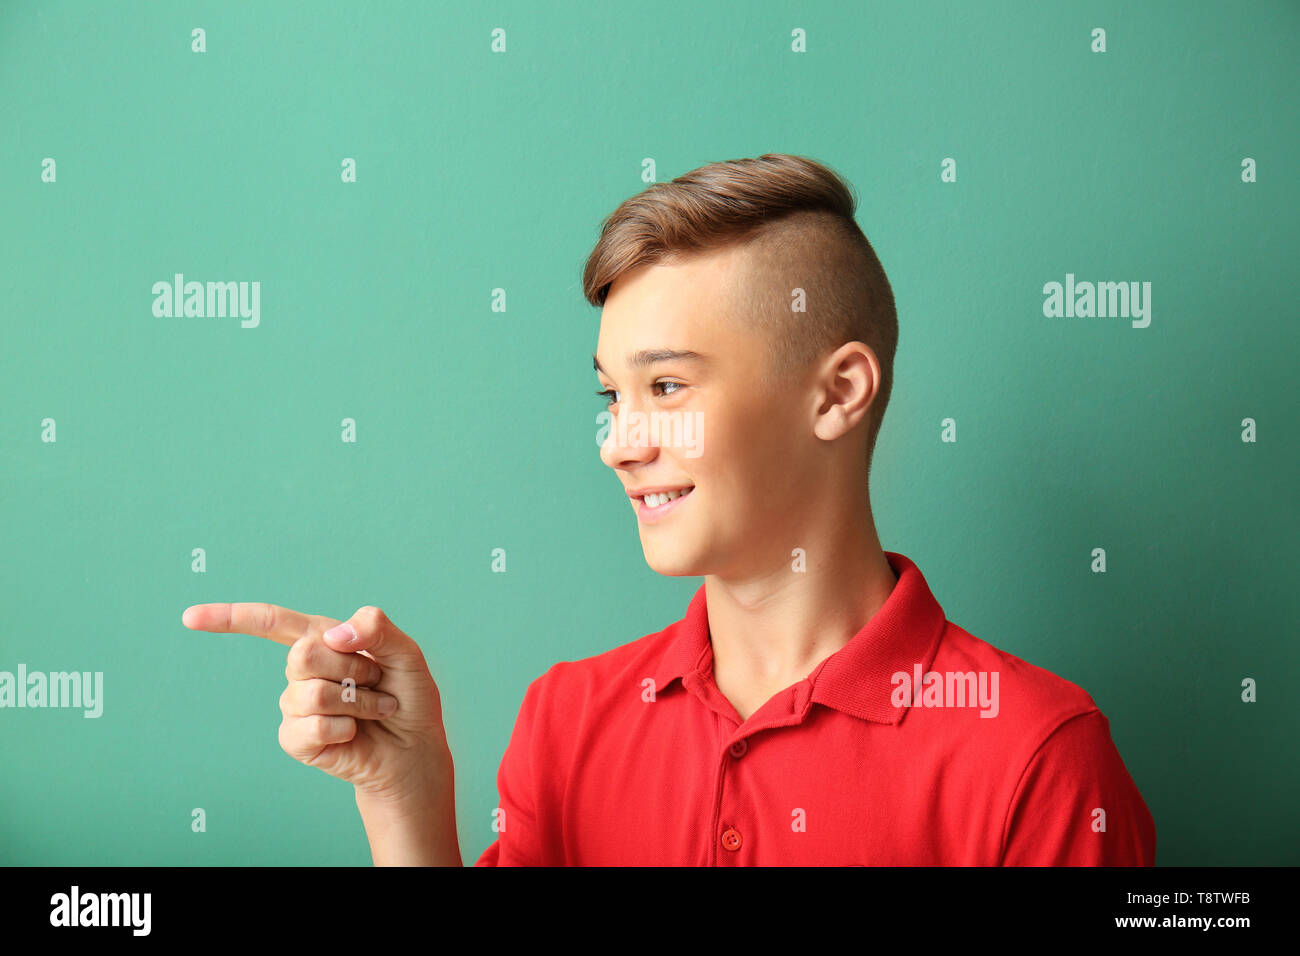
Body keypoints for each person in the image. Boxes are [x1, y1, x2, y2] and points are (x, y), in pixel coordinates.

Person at [183, 153, 1156, 865]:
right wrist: (406, 800)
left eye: (668, 388)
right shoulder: (567, 720)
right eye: (611, 395)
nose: (618, 441)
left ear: (836, 393)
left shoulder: (1036, 757)